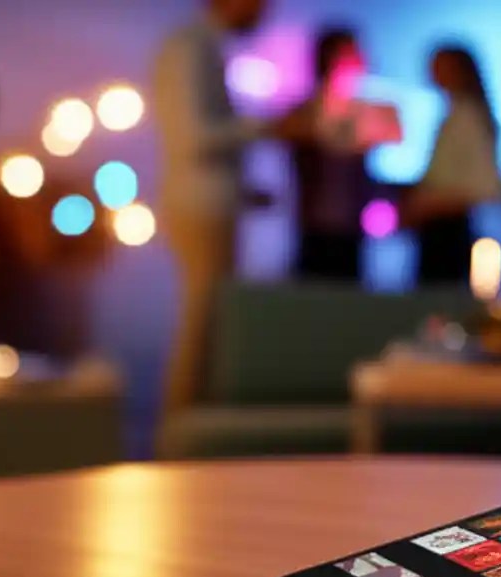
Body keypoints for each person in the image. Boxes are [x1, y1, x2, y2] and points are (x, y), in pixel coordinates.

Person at [152, 0, 298, 416]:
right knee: (202, 328)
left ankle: (191, 437)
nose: (265, 11)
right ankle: (180, 440)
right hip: (202, 209)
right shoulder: (189, 49)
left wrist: (245, 190)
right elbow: (193, 137)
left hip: (211, 205)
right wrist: (269, 126)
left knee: (211, 329)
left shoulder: (201, 48)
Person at [402, 45, 501, 285]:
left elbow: (483, 187)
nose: (431, 71)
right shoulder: (454, 115)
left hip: (449, 229)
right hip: (438, 227)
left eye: (440, 65)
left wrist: (428, 204)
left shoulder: (468, 119)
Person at [291, 28, 375, 282]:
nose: (360, 60)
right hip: (313, 226)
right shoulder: (305, 113)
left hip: (351, 226)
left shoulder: (367, 113)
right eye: (350, 53)